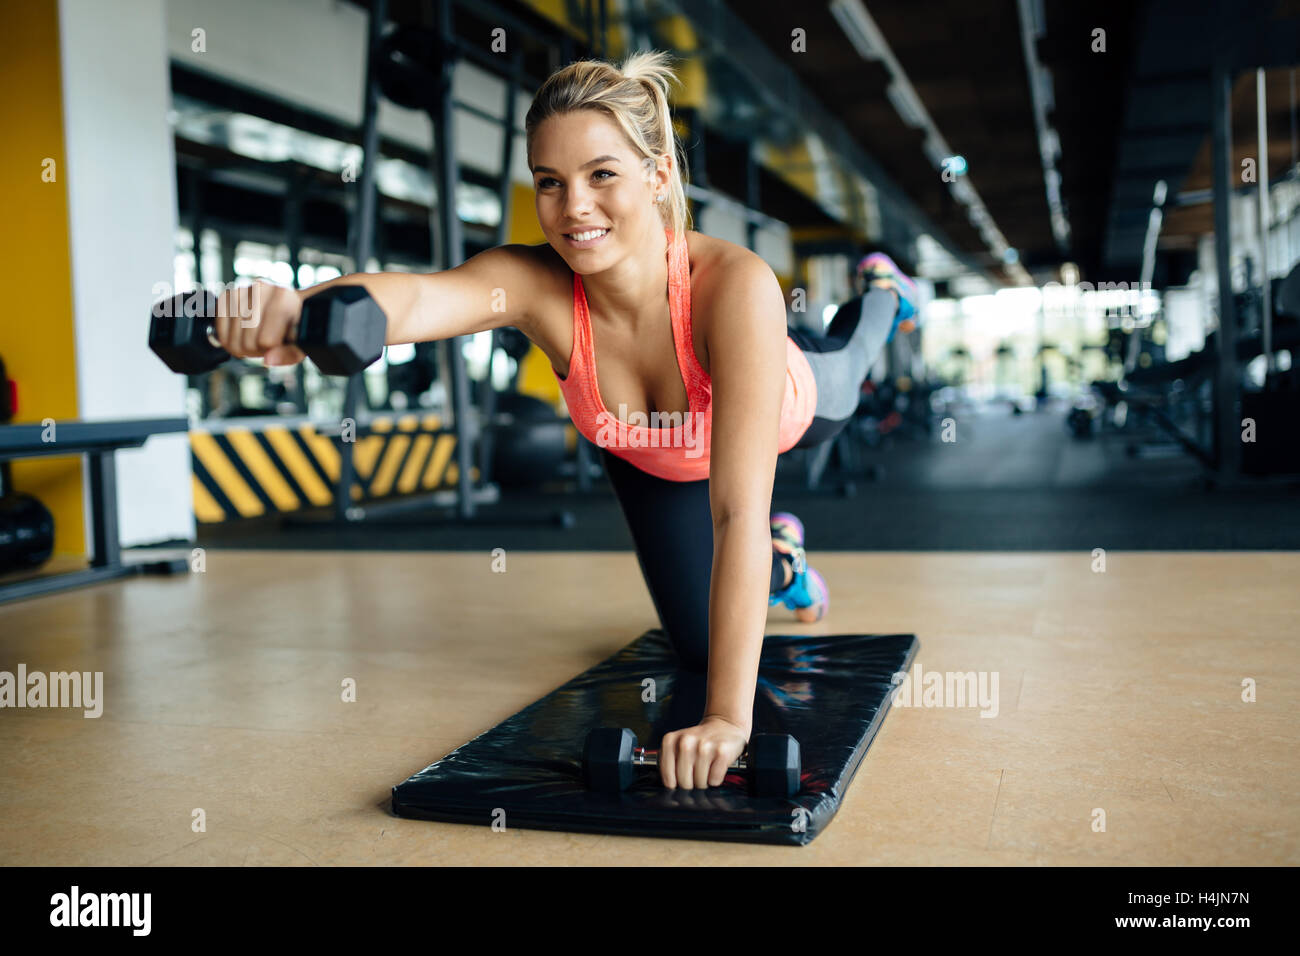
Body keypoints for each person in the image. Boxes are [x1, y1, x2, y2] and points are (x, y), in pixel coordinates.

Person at [211, 50, 919, 792]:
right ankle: (791, 563)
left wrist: (728, 721)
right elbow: (419, 299)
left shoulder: (734, 286)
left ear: (659, 176)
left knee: (855, 356)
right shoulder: (537, 288)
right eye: (550, 182)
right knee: (700, 649)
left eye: (602, 174)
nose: (574, 206)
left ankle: (880, 293)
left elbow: (739, 511)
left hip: (788, 404)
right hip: (655, 464)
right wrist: (300, 308)